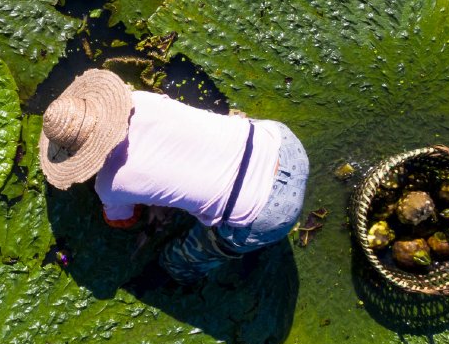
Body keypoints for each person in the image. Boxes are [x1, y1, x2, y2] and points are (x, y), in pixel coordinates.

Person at [39, 69, 310, 284]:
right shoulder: (142, 101)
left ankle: (211, 258)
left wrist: (143, 207)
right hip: (283, 145)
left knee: (175, 264)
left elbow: (122, 220)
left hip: (269, 217)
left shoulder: (109, 185)